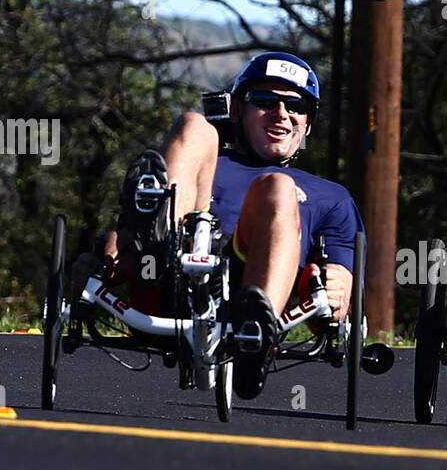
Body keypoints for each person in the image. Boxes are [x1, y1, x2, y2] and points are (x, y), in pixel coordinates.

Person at [70, 51, 363, 400]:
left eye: (295, 106)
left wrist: (338, 288)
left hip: (250, 281)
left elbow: (342, 285)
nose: (281, 114)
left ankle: (257, 326)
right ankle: (161, 240)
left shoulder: (332, 197)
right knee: (195, 125)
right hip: (172, 274)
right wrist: (106, 261)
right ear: (237, 110)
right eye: (265, 101)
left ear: (308, 123)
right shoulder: (207, 159)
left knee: (278, 186)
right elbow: (118, 246)